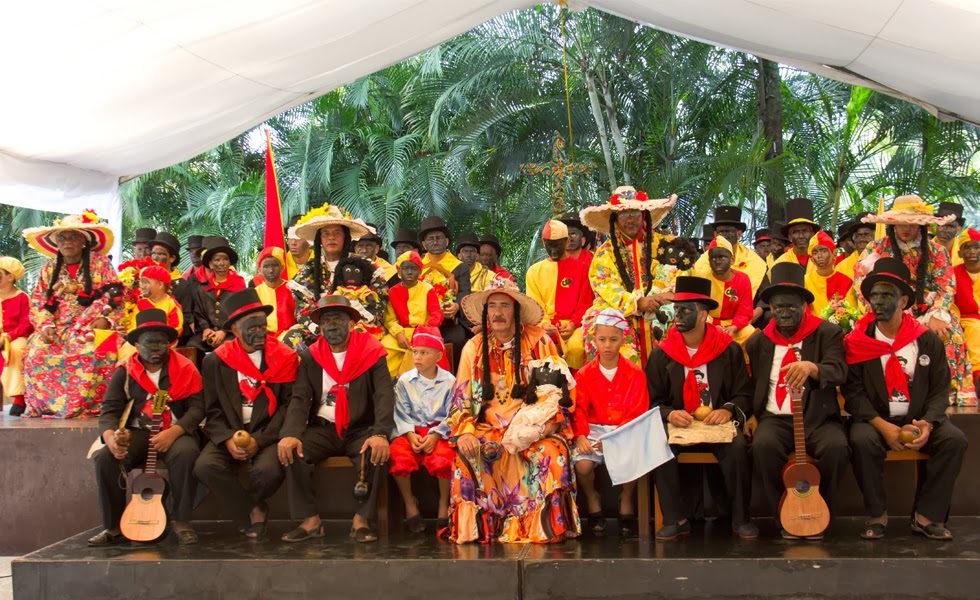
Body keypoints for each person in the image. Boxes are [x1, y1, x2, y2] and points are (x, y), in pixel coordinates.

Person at [446, 278, 579, 543]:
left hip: (533, 430)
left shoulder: (540, 342)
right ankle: (482, 529)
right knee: (467, 456)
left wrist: (545, 426)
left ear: (516, 311)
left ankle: (543, 528)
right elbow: (461, 398)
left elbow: (559, 392)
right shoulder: (474, 347)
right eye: (492, 306)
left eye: (504, 306)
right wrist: (466, 432)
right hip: (487, 429)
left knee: (553, 453)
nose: (497, 312)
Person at [843, 257, 968, 540]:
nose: (877, 301)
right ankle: (876, 515)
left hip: (919, 417)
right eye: (873, 295)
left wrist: (926, 424)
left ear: (903, 302)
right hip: (875, 419)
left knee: (955, 440)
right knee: (861, 440)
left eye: (887, 295)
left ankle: (927, 517)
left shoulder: (926, 339)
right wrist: (882, 426)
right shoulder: (857, 341)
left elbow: (940, 388)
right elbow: (853, 392)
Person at [647, 276, 757, 540]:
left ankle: (740, 518)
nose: (679, 315)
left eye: (686, 309)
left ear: (704, 314)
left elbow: (744, 392)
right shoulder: (663, 353)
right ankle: (675, 519)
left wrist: (728, 409)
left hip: (715, 425)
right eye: (677, 309)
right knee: (658, 444)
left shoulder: (727, 350)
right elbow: (652, 400)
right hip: (680, 425)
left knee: (738, 448)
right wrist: (670, 413)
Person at [745, 263, 849, 539]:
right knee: (762, 448)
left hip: (817, 417)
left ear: (804, 305)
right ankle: (784, 514)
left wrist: (813, 368)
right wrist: (752, 415)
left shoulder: (827, 333)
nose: (785, 313)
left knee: (836, 448)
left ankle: (821, 512)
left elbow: (839, 369)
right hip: (775, 417)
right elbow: (752, 383)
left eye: (791, 307)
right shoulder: (759, 342)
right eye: (778, 308)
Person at [277, 295, 393, 543]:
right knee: (292, 451)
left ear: (352, 324)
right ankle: (310, 521)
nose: (331, 326)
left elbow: (384, 395)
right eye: (326, 321)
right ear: (319, 327)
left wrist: (380, 433)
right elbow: (300, 398)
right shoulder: (311, 356)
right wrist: (291, 433)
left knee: (377, 454)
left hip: (361, 427)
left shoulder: (372, 352)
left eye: (338, 320)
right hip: (323, 428)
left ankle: (361, 520)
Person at [89, 309, 204, 546]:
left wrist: (174, 431)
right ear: (137, 345)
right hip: (138, 432)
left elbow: (197, 409)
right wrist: (110, 438)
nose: (155, 348)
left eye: (161, 343)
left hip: (176, 429)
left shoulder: (185, 368)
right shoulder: (125, 372)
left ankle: (182, 523)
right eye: (149, 343)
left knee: (186, 454)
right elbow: (109, 410)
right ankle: (113, 527)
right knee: (104, 459)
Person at [193, 289, 297, 538]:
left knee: (269, 470)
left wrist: (259, 440)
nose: (260, 332)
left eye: (263, 325)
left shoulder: (284, 357)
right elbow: (212, 409)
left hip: (267, 432)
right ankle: (253, 507)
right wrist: (227, 438)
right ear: (236, 331)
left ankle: (252, 505)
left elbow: (288, 406)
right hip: (230, 430)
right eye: (252, 327)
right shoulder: (216, 362)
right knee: (205, 466)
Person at [855, 196, 975, 406]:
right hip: (887, 310)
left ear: (922, 223)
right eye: (901, 223)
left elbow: (946, 285)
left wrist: (936, 315)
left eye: (911, 223)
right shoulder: (877, 248)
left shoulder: (937, 250)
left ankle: (944, 395)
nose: (906, 228)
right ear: (893, 223)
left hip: (928, 310)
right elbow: (861, 283)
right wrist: (888, 312)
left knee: (950, 335)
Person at [21, 211, 124, 418]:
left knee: (103, 352)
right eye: (62, 238)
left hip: (94, 325)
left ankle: (97, 407)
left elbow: (115, 293)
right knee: (33, 354)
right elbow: (40, 302)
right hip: (58, 329)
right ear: (56, 244)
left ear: (84, 241)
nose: (67, 242)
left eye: (73, 237)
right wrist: (46, 327)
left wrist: (104, 318)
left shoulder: (101, 263)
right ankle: (48, 407)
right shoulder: (49, 269)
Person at [572, 309, 648, 537]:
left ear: (622, 341)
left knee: (634, 460)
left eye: (613, 340)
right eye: (602, 339)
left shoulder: (635, 374)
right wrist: (582, 436)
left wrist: (616, 438)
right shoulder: (584, 375)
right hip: (594, 429)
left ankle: (626, 496)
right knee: (583, 466)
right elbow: (579, 410)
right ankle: (592, 497)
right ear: (593, 340)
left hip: (623, 429)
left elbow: (637, 411)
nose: (607, 345)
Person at [580, 187, 676, 365]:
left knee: (686, 321)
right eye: (623, 215)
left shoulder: (664, 244)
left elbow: (681, 271)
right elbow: (604, 285)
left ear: (644, 214)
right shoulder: (604, 253)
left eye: (635, 213)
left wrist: (662, 296)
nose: (630, 219)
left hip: (661, 304)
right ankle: (622, 388)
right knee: (598, 324)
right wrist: (636, 303)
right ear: (615, 219)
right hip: (619, 310)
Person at [389, 326, 456, 533]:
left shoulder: (449, 382)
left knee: (445, 458)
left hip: (439, 432)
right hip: (411, 432)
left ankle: (444, 504)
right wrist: (409, 434)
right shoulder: (405, 381)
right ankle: (410, 503)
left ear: (438, 355)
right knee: (397, 457)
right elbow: (401, 411)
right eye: (415, 352)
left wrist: (436, 434)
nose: (417, 357)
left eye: (424, 353)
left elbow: (452, 414)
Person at [291, 205, 386, 348]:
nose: (331, 238)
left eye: (337, 233)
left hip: (356, 325)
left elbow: (379, 299)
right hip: (319, 327)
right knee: (292, 339)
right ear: (319, 240)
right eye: (326, 233)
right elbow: (302, 306)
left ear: (345, 237)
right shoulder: (309, 270)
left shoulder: (365, 265)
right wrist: (320, 327)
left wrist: (349, 323)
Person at [526, 220, 593, 369]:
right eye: (550, 245)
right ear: (543, 242)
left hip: (574, 325)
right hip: (544, 326)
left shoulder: (582, 269)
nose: (554, 250)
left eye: (558, 245)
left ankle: (577, 389)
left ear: (567, 241)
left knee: (577, 349)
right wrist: (543, 324)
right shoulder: (534, 271)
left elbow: (585, 303)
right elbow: (534, 304)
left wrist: (573, 324)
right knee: (539, 346)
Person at [381, 251, 443, 376]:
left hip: (424, 332)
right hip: (400, 333)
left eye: (413, 268)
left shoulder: (427, 289)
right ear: (399, 272)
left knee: (421, 355)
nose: (409, 272)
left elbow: (436, 314)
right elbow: (390, 319)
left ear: (420, 271)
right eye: (405, 268)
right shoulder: (393, 292)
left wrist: (424, 332)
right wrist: (398, 334)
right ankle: (391, 384)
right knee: (382, 351)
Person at [418, 216, 466, 368]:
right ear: (424, 245)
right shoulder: (416, 266)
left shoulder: (459, 266)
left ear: (446, 242)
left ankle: (457, 382)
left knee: (458, 340)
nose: (435, 241)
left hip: (449, 322)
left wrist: (457, 306)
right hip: (422, 320)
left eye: (439, 238)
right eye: (430, 239)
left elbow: (465, 291)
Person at [692, 206, 767, 295]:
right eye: (720, 232)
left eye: (729, 232)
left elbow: (764, 294)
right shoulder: (703, 261)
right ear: (715, 234)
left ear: (739, 234)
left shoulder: (755, 261)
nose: (724, 236)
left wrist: (756, 309)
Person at [190, 236, 246, 352]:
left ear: (229, 262)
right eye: (217, 260)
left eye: (225, 259)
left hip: (231, 333)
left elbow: (241, 315)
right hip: (208, 333)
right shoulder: (203, 288)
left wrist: (224, 331)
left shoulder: (239, 286)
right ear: (210, 264)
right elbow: (198, 313)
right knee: (192, 346)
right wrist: (205, 329)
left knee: (229, 348)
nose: (221, 263)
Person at [699, 236, 755, 345]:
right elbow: (700, 310)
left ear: (732, 259)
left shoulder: (743, 279)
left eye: (722, 257)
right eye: (713, 258)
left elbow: (745, 311)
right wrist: (713, 327)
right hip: (708, 325)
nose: (717, 262)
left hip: (735, 327)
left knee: (751, 334)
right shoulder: (703, 279)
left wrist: (733, 328)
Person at [0, 257, 33, 416]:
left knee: (16, 349)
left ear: (10, 277)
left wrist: (9, 336)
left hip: (16, 336)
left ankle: (19, 398)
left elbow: (27, 323)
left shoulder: (22, 297)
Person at [149, 232, 195, 345]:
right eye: (153, 253)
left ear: (172, 258)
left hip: (173, 335)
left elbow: (186, 315)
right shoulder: (142, 281)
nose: (155, 257)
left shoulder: (182, 285)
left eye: (160, 253)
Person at [452, 233, 497, 340]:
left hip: (483, 321)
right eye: (465, 251)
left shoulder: (488, 275)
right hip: (457, 322)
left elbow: (495, 303)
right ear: (458, 255)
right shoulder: (450, 274)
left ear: (477, 255)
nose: (468, 255)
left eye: (471, 251)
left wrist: (483, 325)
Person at [804, 231, 858, 316]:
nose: (819, 256)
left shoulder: (847, 281)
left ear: (834, 254)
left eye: (823, 251)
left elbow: (852, 312)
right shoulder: (805, 282)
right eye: (815, 253)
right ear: (811, 259)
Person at [253, 247, 297, 338]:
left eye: (275, 266)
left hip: (290, 336)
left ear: (282, 267)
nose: (271, 270)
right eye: (266, 267)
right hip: (264, 338)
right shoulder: (255, 293)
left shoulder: (293, 289)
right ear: (260, 270)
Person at [772, 198, 820, 273]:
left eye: (805, 231)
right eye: (796, 232)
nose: (801, 236)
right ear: (790, 237)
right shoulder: (780, 264)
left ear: (812, 235)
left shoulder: (824, 260)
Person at [834, 213, 874, 279]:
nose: (862, 239)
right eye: (858, 236)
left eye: (866, 235)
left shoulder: (885, 260)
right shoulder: (842, 268)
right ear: (854, 240)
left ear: (876, 237)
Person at [934, 202, 965, 267]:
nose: (944, 230)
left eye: (950, 226)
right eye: (941, 225)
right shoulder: (922, 248)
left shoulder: (965, 252)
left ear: (958, 229)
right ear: (935, 226)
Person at [285, 215, 313, 280]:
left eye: (298, 238)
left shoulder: (322, 263)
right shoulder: (280, 264)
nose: (293, 242)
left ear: (310, 242)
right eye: (291, 237)